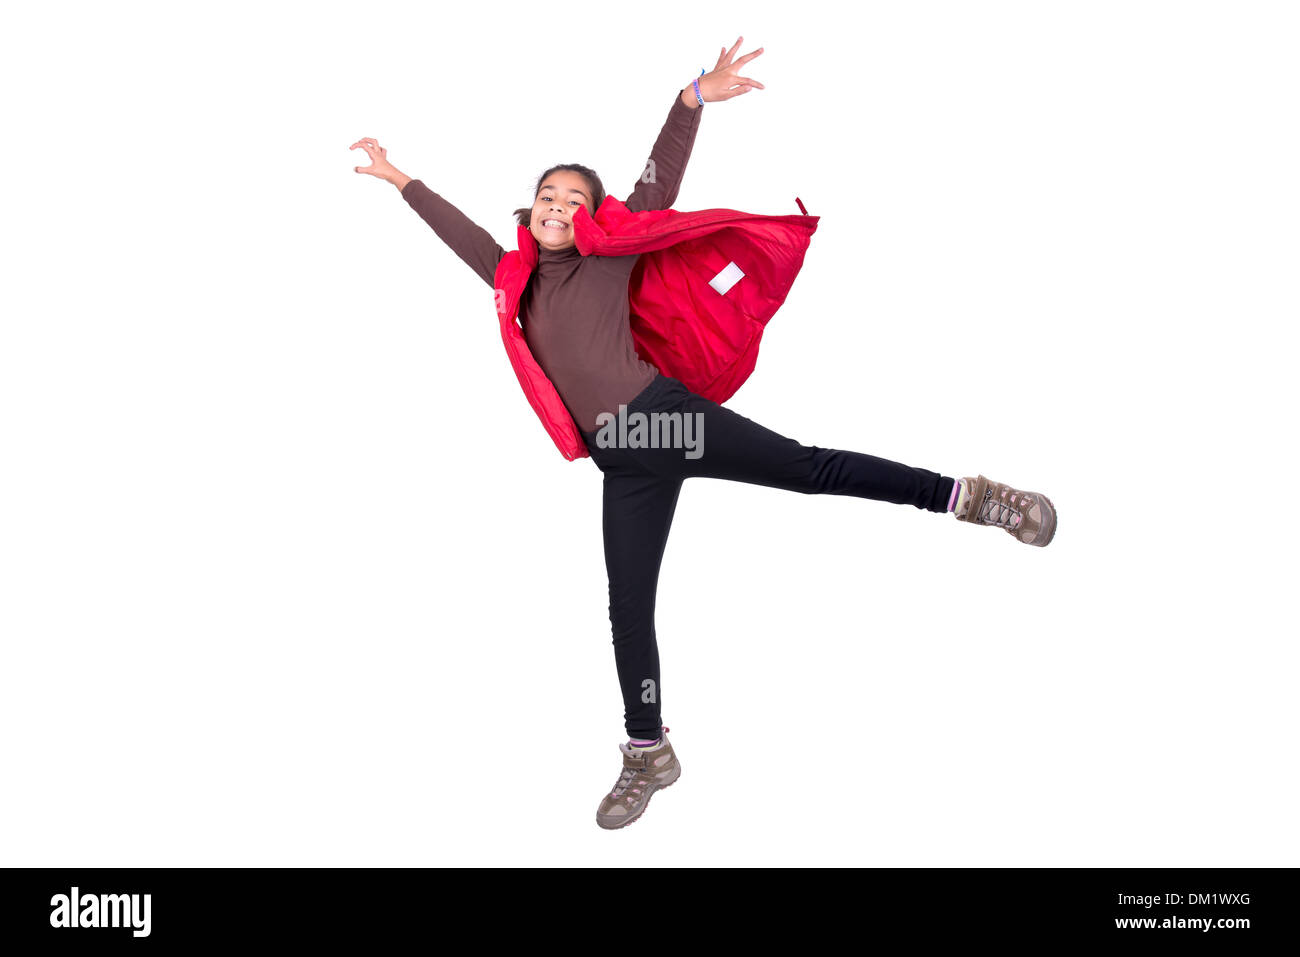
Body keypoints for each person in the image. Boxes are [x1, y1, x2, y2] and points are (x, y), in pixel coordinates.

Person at [350, 37, 1057, 830]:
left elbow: (656, 182)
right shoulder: (513, 277)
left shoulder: (605, 259)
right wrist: (398, 177)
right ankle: (648, 750)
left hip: (665, 419)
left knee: (806, 468)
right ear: (530, 209)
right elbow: (460, 235)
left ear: (591, 215)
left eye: (573, 198)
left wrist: (689, 100)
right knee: (627, 604)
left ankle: (972, 497)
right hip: (622, 463)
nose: (556, 205)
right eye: (546, 194)